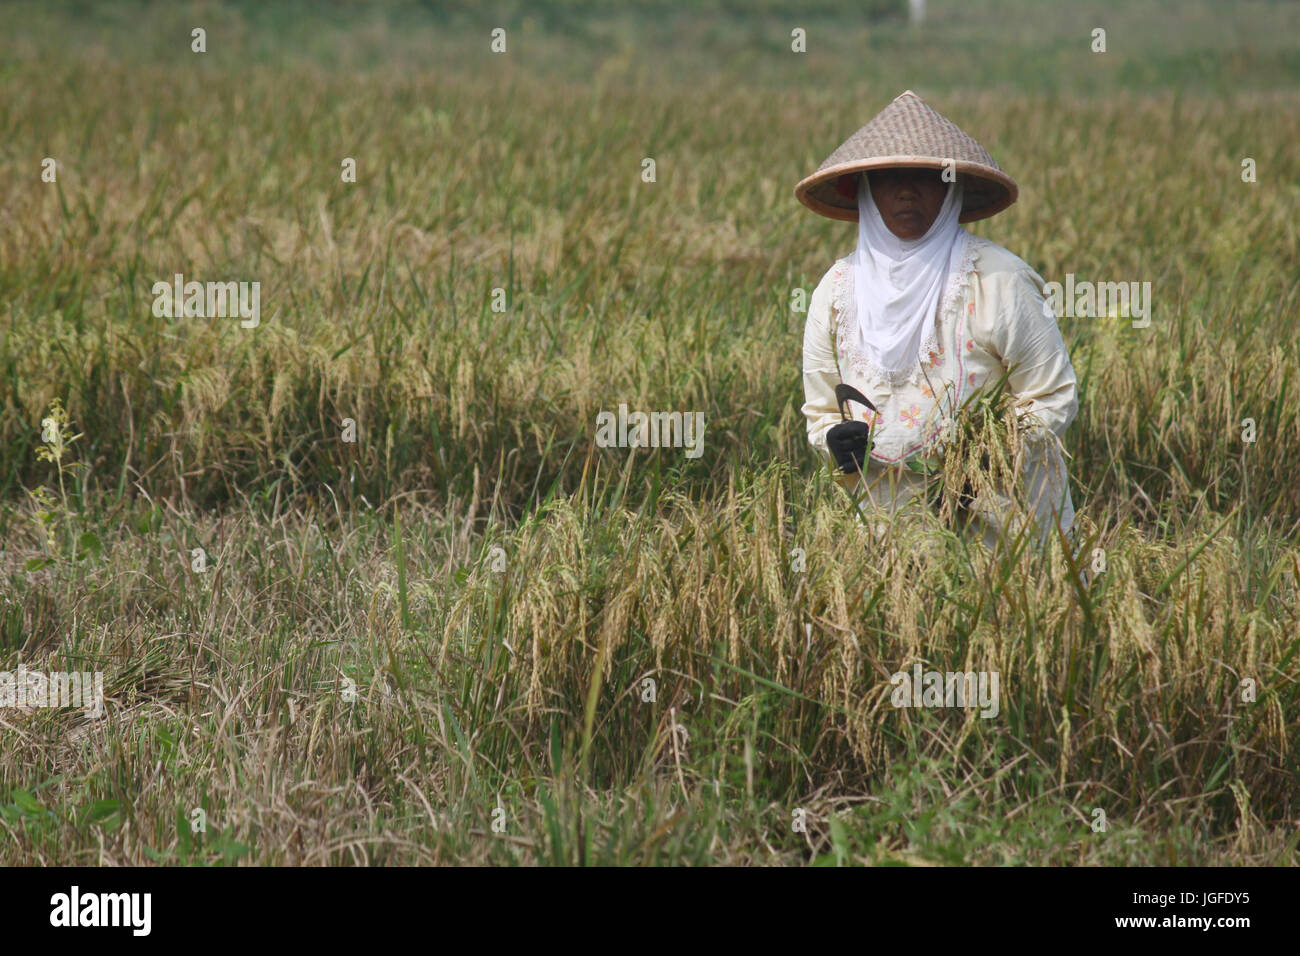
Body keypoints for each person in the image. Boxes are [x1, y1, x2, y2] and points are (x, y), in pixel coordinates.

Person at [794, 90, 1078, 552]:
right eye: (890, 180)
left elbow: (1052, 395)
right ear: (865, 190)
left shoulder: (999, 280)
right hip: (881, 535)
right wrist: (834, 441)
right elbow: (822, 408)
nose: (907, 192)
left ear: (952, 190)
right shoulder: (836, 291)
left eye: (927, 178)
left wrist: (986, 458)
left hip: (998, 531)